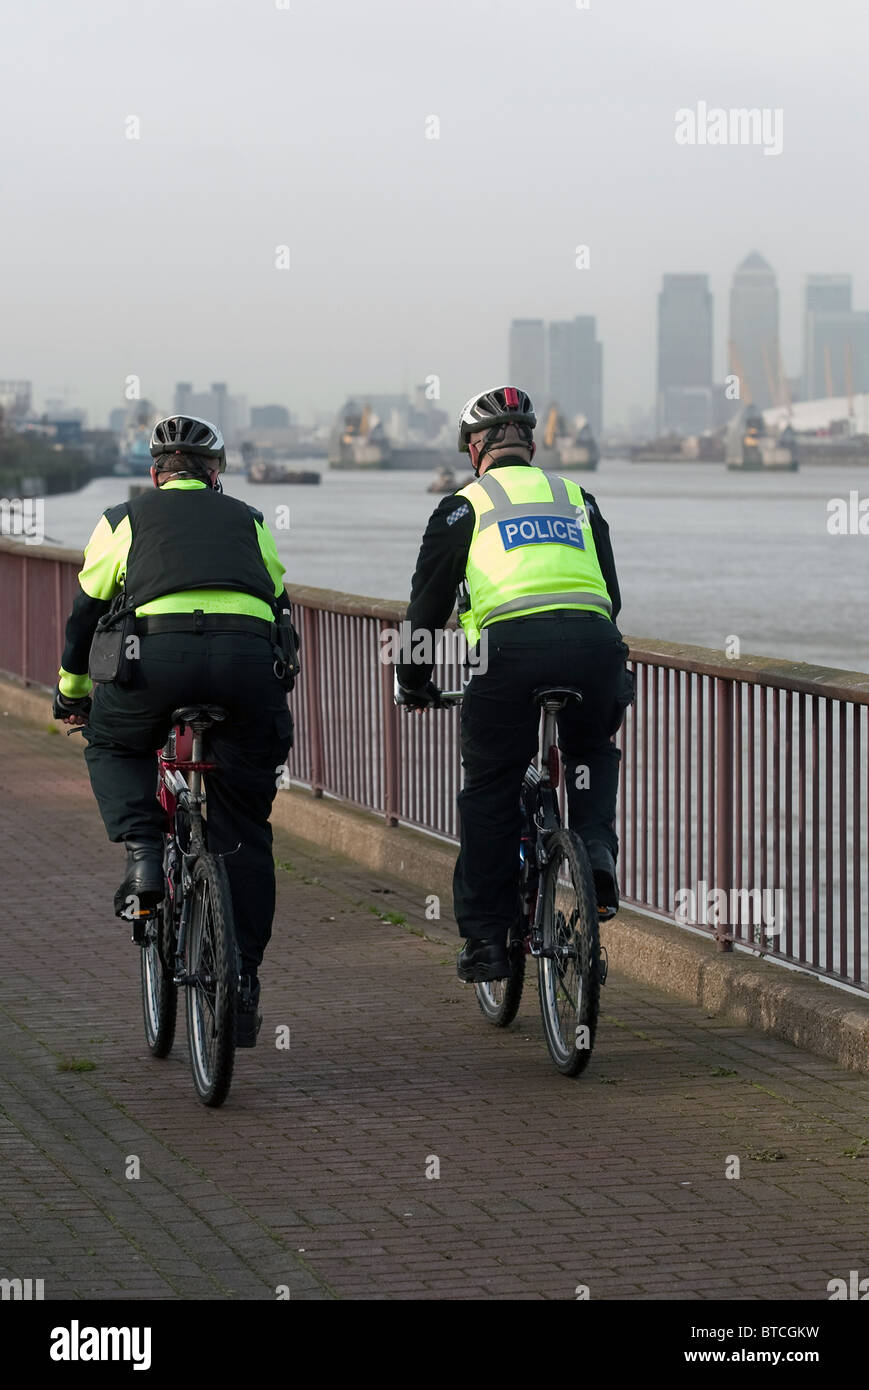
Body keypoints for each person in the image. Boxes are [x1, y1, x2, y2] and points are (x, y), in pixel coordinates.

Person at [52, 415, 298, 1045]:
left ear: (154, 473)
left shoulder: (123, 518)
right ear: (215, 474)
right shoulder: (249, 519)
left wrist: (72, 694)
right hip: (245, 667)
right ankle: (241, 984)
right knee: (244, 826)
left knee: (112, 740)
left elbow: (85, 613)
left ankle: (143, 855)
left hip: (154, 663)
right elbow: (278, 603)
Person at [396, 385, 633, 983]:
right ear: (529, 443)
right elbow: (612, 593)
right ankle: (596, 858)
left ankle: (485, 943)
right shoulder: (577, 495)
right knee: (590, 751)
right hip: (594, 648)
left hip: (507, 657)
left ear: (475, 449)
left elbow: (425, 609)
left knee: (490, 789)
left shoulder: (462, 506)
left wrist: (413, 680)